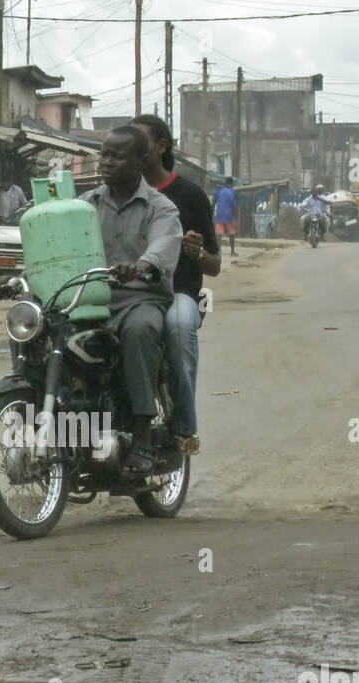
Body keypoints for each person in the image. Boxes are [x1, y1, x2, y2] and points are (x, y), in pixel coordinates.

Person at [77, 126, 182, 476]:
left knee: (139, 331)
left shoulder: (160, 207)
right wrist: (21, 274)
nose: (107, 162)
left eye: (118, 156)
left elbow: (164, 245)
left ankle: (142, 437)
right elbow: (58, 242)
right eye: (104, 154)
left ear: (141, 161)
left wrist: (141, 266)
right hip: (88, 298)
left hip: (139, 300)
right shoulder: (84, 205)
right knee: (38, 330)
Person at [131, 113, 221, 456]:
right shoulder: (113, 194)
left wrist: (197, 253)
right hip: (128, 294)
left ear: (161, 146)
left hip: (177, 294)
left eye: (140, 143)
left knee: (181, 325)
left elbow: (214, 266)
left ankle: (184, 426)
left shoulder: (190, 195)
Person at [214, 176, 238, 256]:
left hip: (219, 215)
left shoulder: (219, 191)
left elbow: (213, 203)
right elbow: (234, 206)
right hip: (229, 216)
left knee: (218, 235)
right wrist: (235, 216)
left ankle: (218, 251)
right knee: (231, 234)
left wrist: (211, 213)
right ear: (231, 184)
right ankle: (232, 251)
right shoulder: (233, 192)